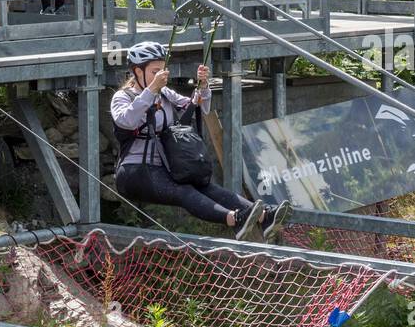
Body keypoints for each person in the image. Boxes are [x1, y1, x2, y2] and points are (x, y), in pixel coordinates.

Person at [112, 41, 292, 241]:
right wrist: (151, 90)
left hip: (164, 168)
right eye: (155, 72)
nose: (160, 76)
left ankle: (265, 217)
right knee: (184, 191)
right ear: (138, 71)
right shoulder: (122, 97)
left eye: (162, 70)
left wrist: (203, 86)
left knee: (207, 187)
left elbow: (198, 107)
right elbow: (126, 121)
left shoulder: (164, 94)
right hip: (134, 172)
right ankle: (235, 220)